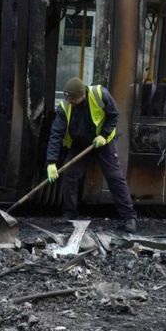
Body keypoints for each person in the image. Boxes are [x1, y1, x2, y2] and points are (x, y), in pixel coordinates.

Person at [46, 78, 138, 232]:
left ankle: (129, 218)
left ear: (83, 94)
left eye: (74, 99)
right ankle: (69, 216)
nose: (71, 103)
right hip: (79, 144)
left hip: (103, 142)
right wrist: (51, 162)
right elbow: (56, 134)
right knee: (69, 175)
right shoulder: (64, 107)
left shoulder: (100, 94)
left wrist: (103, 134)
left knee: (115, 177)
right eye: (69, 99)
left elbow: (114, 114)